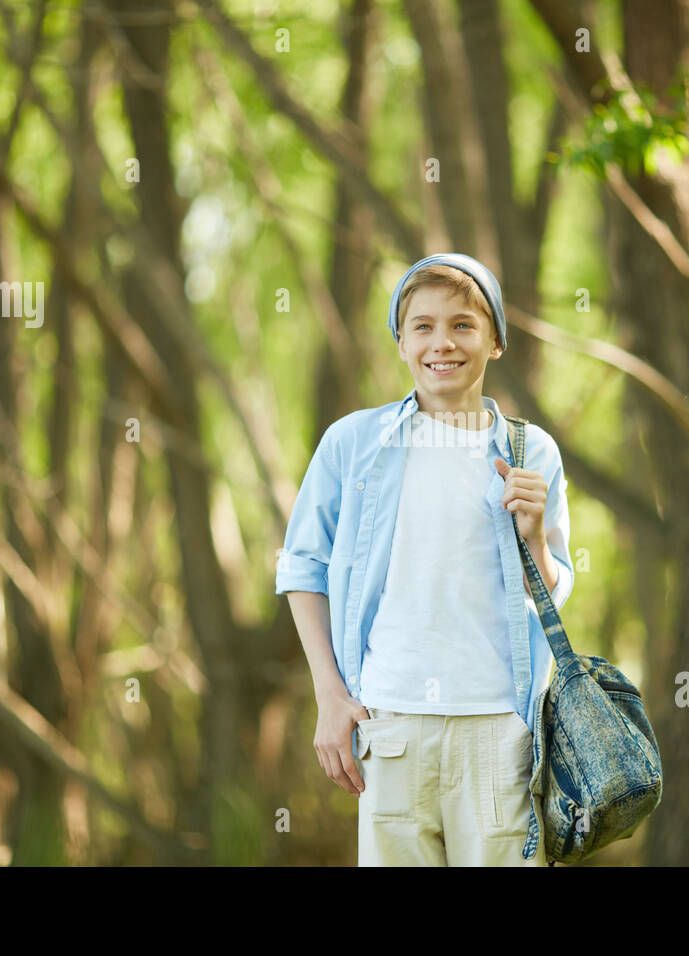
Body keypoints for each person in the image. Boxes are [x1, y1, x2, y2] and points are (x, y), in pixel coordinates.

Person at [276, 252, 574, 866]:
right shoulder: (353, 444)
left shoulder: (530, 451)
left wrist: (536, 535)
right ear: (401, 341)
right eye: (424, 326)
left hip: (500, 730)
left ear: (494, 342)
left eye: (464, 325)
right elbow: (303, 566)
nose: (444, 342)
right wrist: (329, 695)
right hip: (390, 726)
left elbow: (549, 591)